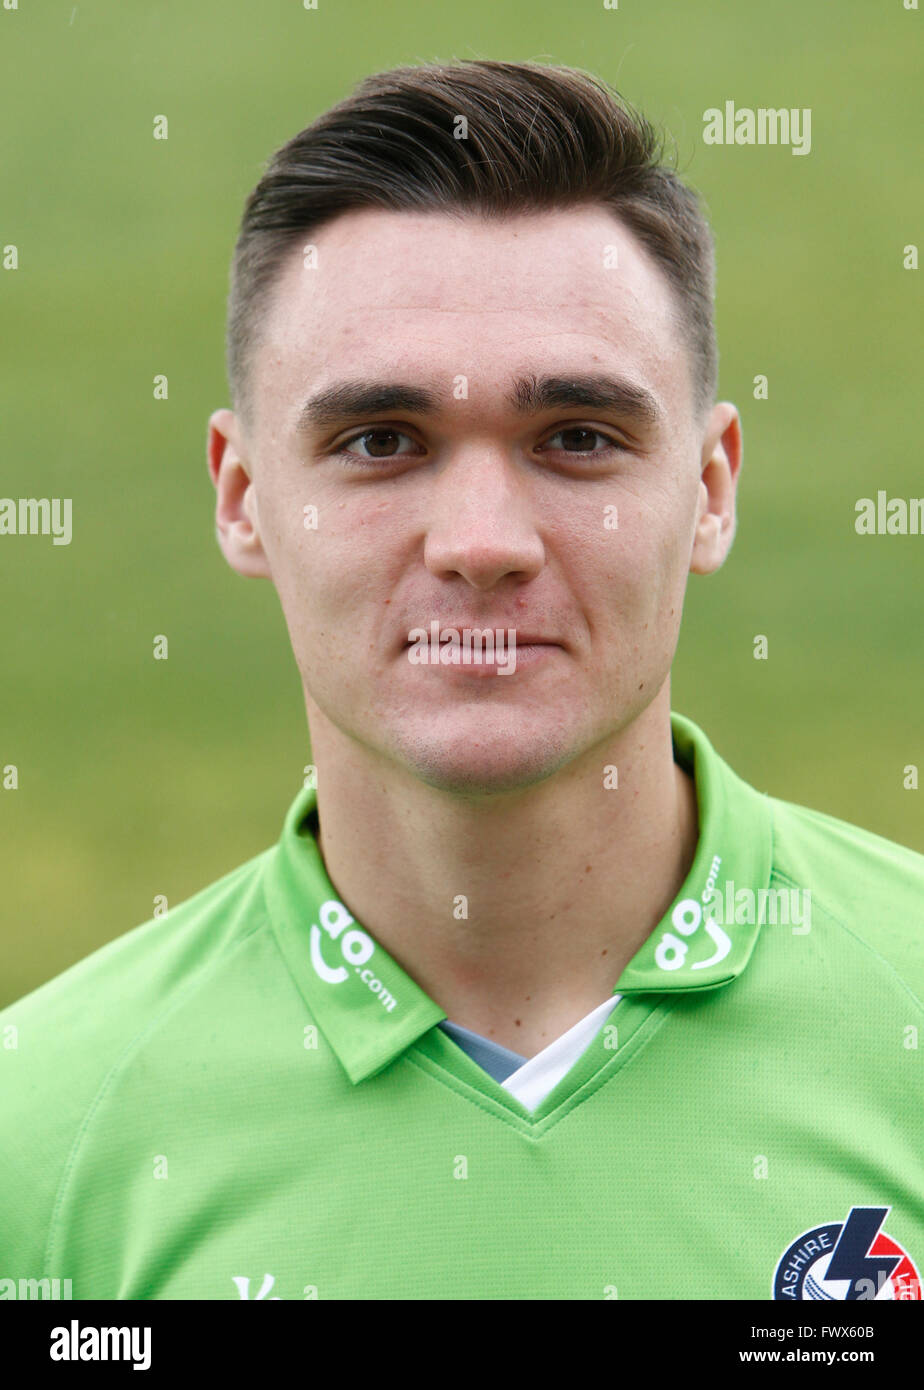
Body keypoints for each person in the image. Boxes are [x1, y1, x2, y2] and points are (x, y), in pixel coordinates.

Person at [1, 60, 921, 1303]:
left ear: (709, 489)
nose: (481, 541)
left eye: (577, 439)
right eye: (381, 443)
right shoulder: (42, 1135)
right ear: (244, 497)